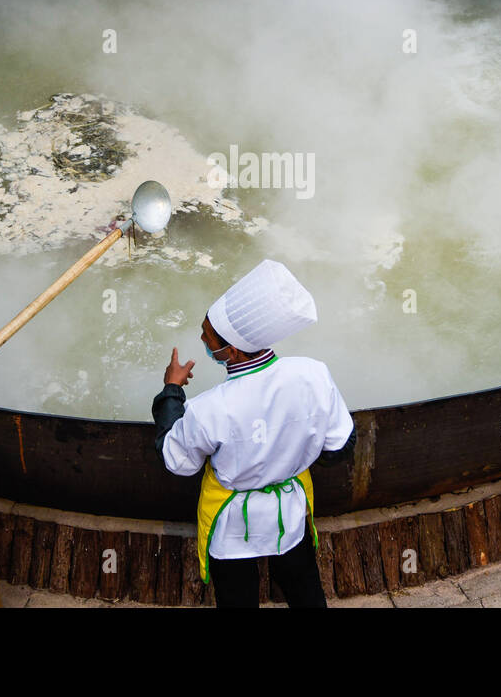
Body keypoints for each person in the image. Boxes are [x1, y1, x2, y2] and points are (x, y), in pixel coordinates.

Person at [151, 259, 355, 608]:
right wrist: (286, 456)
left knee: (237, 601)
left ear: (230, 350)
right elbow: (340, 446)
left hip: (231, 529)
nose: (202, 339)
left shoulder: (209, 407)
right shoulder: (313, 375)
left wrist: (172, 390)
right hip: (288, 516)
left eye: (207, 334)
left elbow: (177, 459)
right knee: (307, 596)